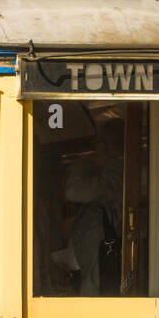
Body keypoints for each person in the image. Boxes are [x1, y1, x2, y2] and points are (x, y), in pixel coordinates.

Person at [52, 119, 124, 296]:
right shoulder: (111, 171)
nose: (95, 148)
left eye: (97, 143)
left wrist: (85, 162)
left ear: (107, 145)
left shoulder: (117, 171)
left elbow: (75, 191)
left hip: (102, 260)